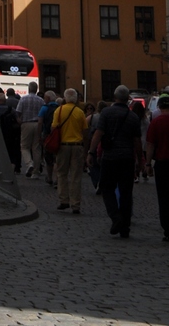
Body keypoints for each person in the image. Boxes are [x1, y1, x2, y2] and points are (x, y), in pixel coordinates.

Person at [89, 83, 142, 238]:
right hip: (127, 158)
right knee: (126, 192)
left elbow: (98, 133)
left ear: (115, 97)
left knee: (107, 188)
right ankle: (125, 227)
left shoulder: (106, 112)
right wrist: (139, 160)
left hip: (110, 157)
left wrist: (91, 152)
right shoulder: (133, 117)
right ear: (128, 99)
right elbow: (137, 141)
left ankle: (115, 217)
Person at [51, 88, 86, 213]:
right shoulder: (80, 112)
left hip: (63, 145)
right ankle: (76, 204)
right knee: (76, 176)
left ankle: (64, 200)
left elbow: (53, 128)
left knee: (62, 174)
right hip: (77, 145)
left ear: (65, 98)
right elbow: (84, 130)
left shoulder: (59, 110)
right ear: (76, 99)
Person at [145, 92, 169, 241]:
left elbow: (150, 145)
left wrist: (148, 163)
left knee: (164, 197)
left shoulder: (156, 122)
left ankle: (167, 228)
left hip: (162, 163)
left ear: (159, 107)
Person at [16, 81, 43, 177]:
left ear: (29, 89)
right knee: (36, 148)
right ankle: (36, 172)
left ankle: (29, 163)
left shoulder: (23, 99)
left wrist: (19, 120)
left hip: (26, 123)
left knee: (24, 146)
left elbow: (18, 112)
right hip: (37, 124)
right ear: (36, 89)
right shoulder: (40, 100)